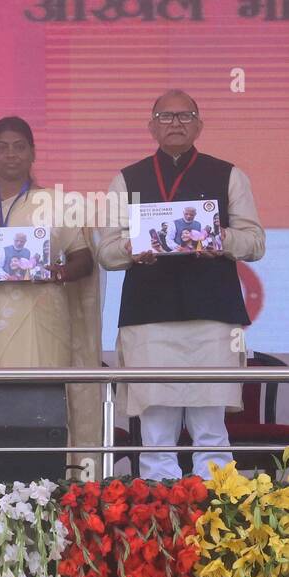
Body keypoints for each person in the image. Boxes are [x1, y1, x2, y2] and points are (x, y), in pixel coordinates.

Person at [94, 90, 266, 480]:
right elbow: (105, 252)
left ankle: (220, 518)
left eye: (185, 116)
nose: (176, 124)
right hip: (149, 316)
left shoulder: (229, 174)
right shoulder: (126, 179)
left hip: (212, 316)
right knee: (156, 434)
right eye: (166, 117)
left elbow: (255, 242)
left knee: (211, 430)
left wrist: (220, 239)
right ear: (151, 125)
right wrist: (132, 248)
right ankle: (159, 519)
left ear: (199, 125)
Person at [0, 117, 101, 474]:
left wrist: (59, 272)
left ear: (32, 153)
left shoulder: (56, 203)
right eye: (2, 146)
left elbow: (84, 259)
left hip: (43, 320)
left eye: (19, 146)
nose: (11, 154)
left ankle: (47, 482)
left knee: (41, 406)